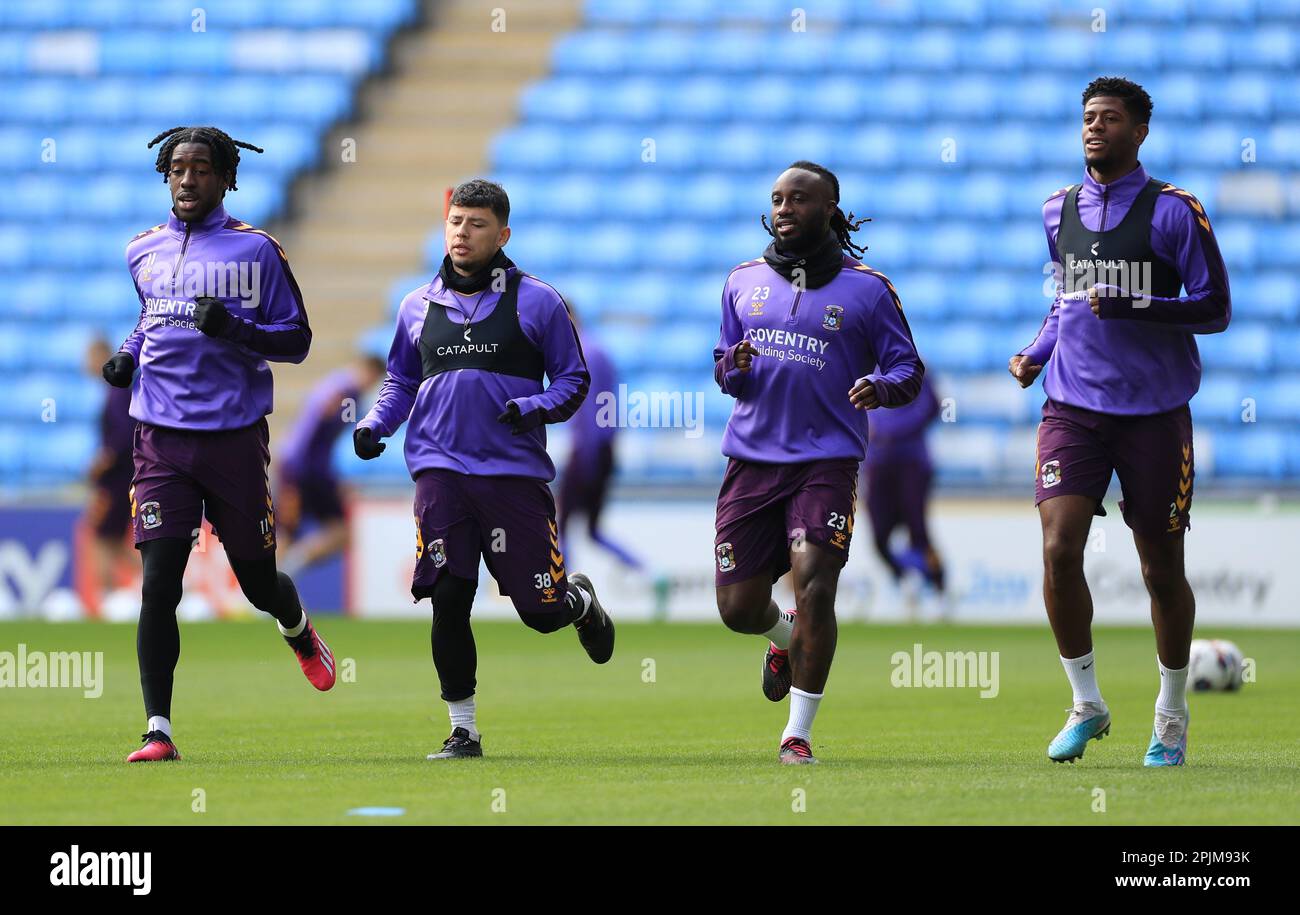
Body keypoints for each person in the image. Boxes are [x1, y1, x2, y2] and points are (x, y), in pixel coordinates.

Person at [1009, 78, 1231, 767]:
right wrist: (1035, 351)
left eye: (1108, 118)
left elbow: (1216, 307)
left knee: (1161, 568)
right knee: (1057, 548)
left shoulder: (1174, 212)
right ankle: (1087, 702)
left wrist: (1137, 305)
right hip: (1072, 407)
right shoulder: (1057, 209)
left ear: (1139, 132)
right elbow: (1067, 302)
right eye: (1087, 118)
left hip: (1154, 415)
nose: (1094, 127)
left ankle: (1170, 714)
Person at [355, 178, 614, 760]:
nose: (462, 233)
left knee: (539, 613)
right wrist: (376, 424)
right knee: (449, 597)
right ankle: (463, 729)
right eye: (454, 222)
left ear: (502, 234)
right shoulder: (416, 305)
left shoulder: (538, 302)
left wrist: (531, 407)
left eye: (475, 224)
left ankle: (578, 603)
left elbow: (573, 382)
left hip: (512, 476)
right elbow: (401, 379)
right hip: (439, 473)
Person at [104, 126, 337, 763]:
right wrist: (127, 357)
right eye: (177, 168)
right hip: (159, 442)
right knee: (158, 585)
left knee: (258, 582)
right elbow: (151, 319)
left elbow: (297, 340)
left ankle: (295, 627)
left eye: (201, 169)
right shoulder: (141, 250)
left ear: (226, 178)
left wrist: (234, 327)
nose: (186, 179)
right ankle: (159, 729)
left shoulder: (256, 252)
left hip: (232, 442)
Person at [712, 161, 923, 764]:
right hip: (751, 462)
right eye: (777, 199)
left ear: (829, 208)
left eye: (798, 199)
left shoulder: (869, 289)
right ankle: (783, 639)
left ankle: (797, 733)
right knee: (738, 609)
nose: (784, 208)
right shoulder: (741, 281)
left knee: (817, 588)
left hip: (825, 464)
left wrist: (881, 387)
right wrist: (734, 368)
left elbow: (909, 370)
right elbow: (724, 365)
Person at [276, 353, 385, 577]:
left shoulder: (337, 386)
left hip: (305, 467)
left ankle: (281, 576)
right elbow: (310, 430)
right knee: (292, 532)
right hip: (303, 469)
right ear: (370, 372)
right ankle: (276, 579)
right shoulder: (344, 392)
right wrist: (293, 471)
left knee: (294, 532)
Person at [557, 319, 642, 571]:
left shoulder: (584, 355)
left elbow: (591, 409)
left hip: (588, 449)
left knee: (559, 523)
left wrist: (587, 456)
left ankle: (563, 589)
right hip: (602, 448)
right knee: (592, 530)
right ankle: (645, 571)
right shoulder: (597, 351)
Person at [861, 365, 946, 613]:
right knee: (879, 537)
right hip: (877, 463)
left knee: (918, 531)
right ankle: (905, 577)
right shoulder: (860, 362)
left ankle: (940, 587)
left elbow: (932, 408)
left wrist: (892, 432)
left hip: (912, 462)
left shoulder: (913, 367)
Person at [83, 337, 139, 606]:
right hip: (123, 476)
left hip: (116, 479)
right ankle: (169, 584)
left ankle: (105, 599)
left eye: (90, 356)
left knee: (101, 538)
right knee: (114, 541)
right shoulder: (118, 391)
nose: (86, 364)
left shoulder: (117, 392)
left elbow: (122, 437)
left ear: (103, 356)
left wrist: (101, 463)